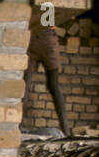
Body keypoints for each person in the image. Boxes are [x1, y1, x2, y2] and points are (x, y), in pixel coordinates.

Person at [24, 8, 71, 137]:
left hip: (31, 40)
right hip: (49, 41)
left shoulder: (34, 4)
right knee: (54, 84)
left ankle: (18, 125)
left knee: (25, 86)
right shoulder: (49, 4)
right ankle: (66, 130)